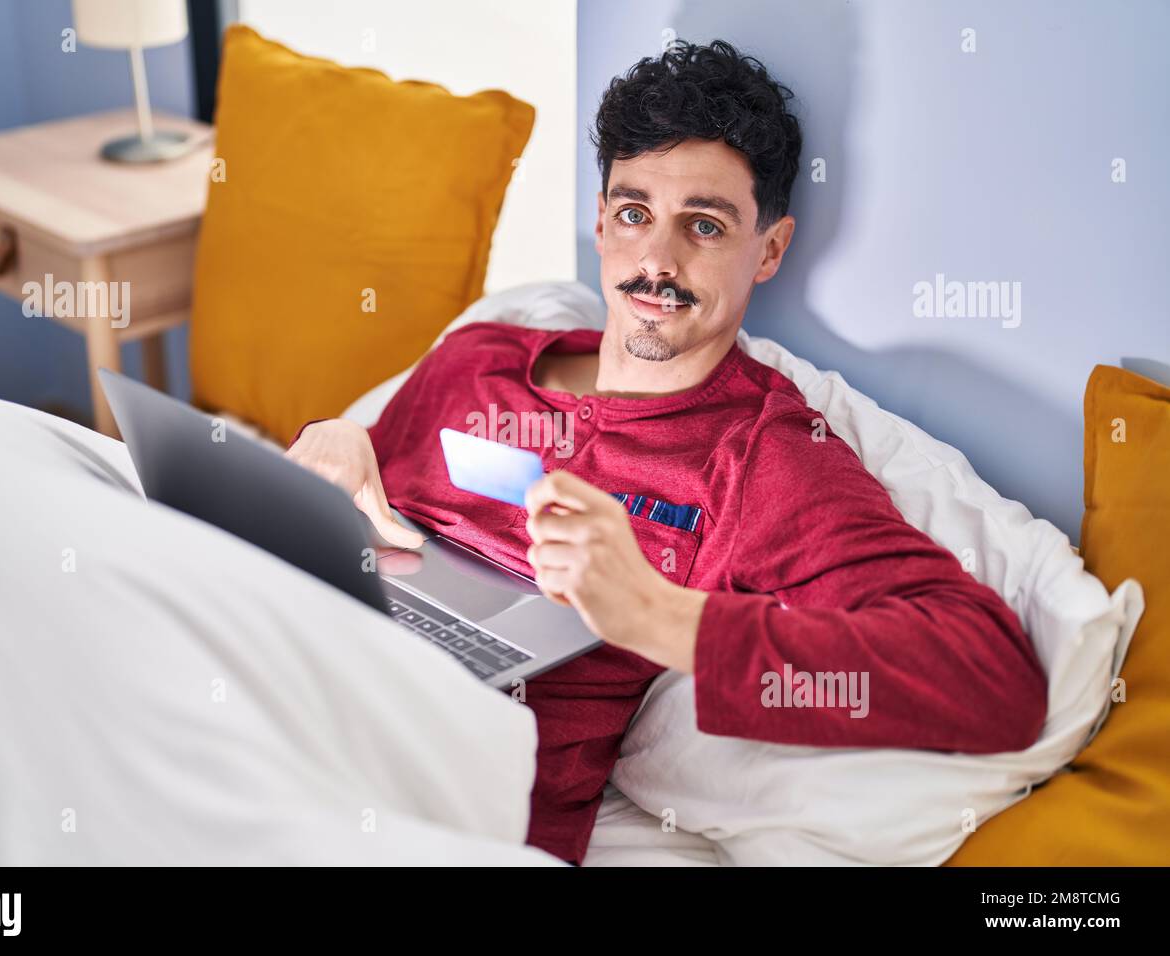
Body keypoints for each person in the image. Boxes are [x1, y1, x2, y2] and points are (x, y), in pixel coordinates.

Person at [284, 40, 1047, 865]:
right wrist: (329, 445)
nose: (657, 262)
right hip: (300, 665)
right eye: (634, 212)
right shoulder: (480, 356)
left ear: (771, 248)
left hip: (435, 797)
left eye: (705, 227)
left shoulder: (762, 457)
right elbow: (355, 525)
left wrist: (657, 615)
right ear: (604, 218)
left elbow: (990, 682)